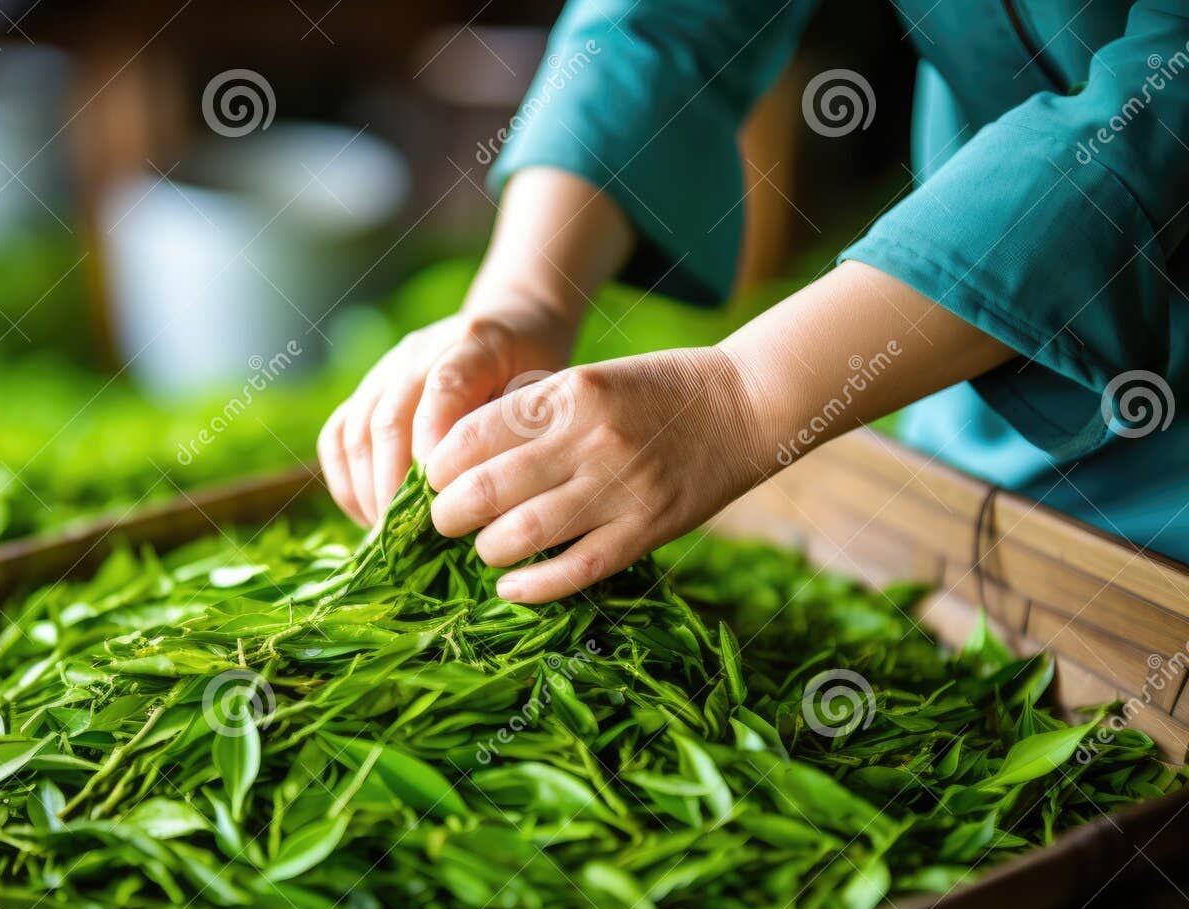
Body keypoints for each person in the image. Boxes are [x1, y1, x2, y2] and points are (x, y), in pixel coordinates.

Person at [318, 0, 1189, 603]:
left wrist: (742, 397)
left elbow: (1165, 99)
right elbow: (665, 18)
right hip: (955, 353)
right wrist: (521, 297)